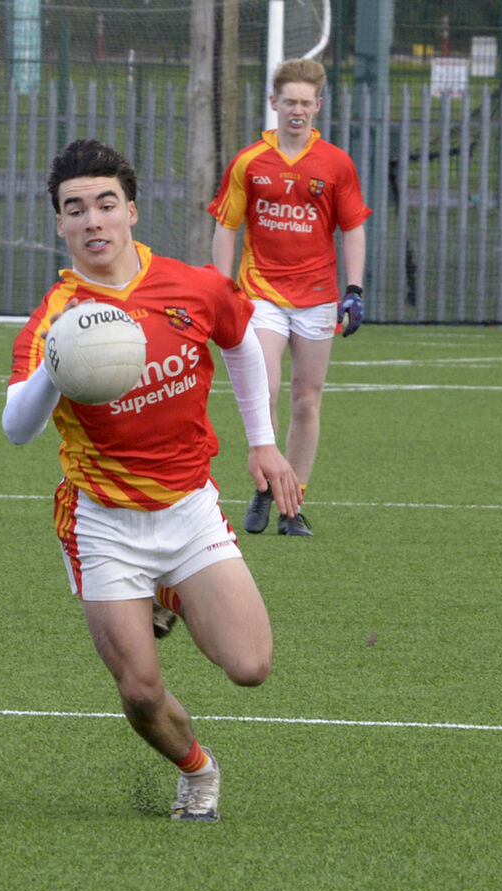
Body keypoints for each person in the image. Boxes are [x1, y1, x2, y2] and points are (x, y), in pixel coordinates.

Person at [3, 139, 301, 821]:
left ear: (131, 210)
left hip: (190, 509)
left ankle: (168, 589)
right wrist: (57, 362)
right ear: (60, 224)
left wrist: (264, 444)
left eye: (106, 203)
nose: (93, 221)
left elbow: (242, 343)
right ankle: (197, 773)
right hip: (103, 521)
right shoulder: (52, 320)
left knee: (251, 665)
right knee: (140, 691)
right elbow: (16, 429)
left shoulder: (191, 286)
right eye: (75, 209)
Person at [209, 57, 372, 536]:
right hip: (261, 293)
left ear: (318, 106)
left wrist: (354, 290)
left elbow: (353, 229)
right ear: (273, 103)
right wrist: (220, 288)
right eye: (289, 102)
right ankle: (265, 484)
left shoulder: (336, 163)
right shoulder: (249, 161)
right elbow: (226, 227)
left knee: (306, 400)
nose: (297, 110)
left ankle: (291, 504)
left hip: (318, 298)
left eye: (306, 102)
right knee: (266, 388)